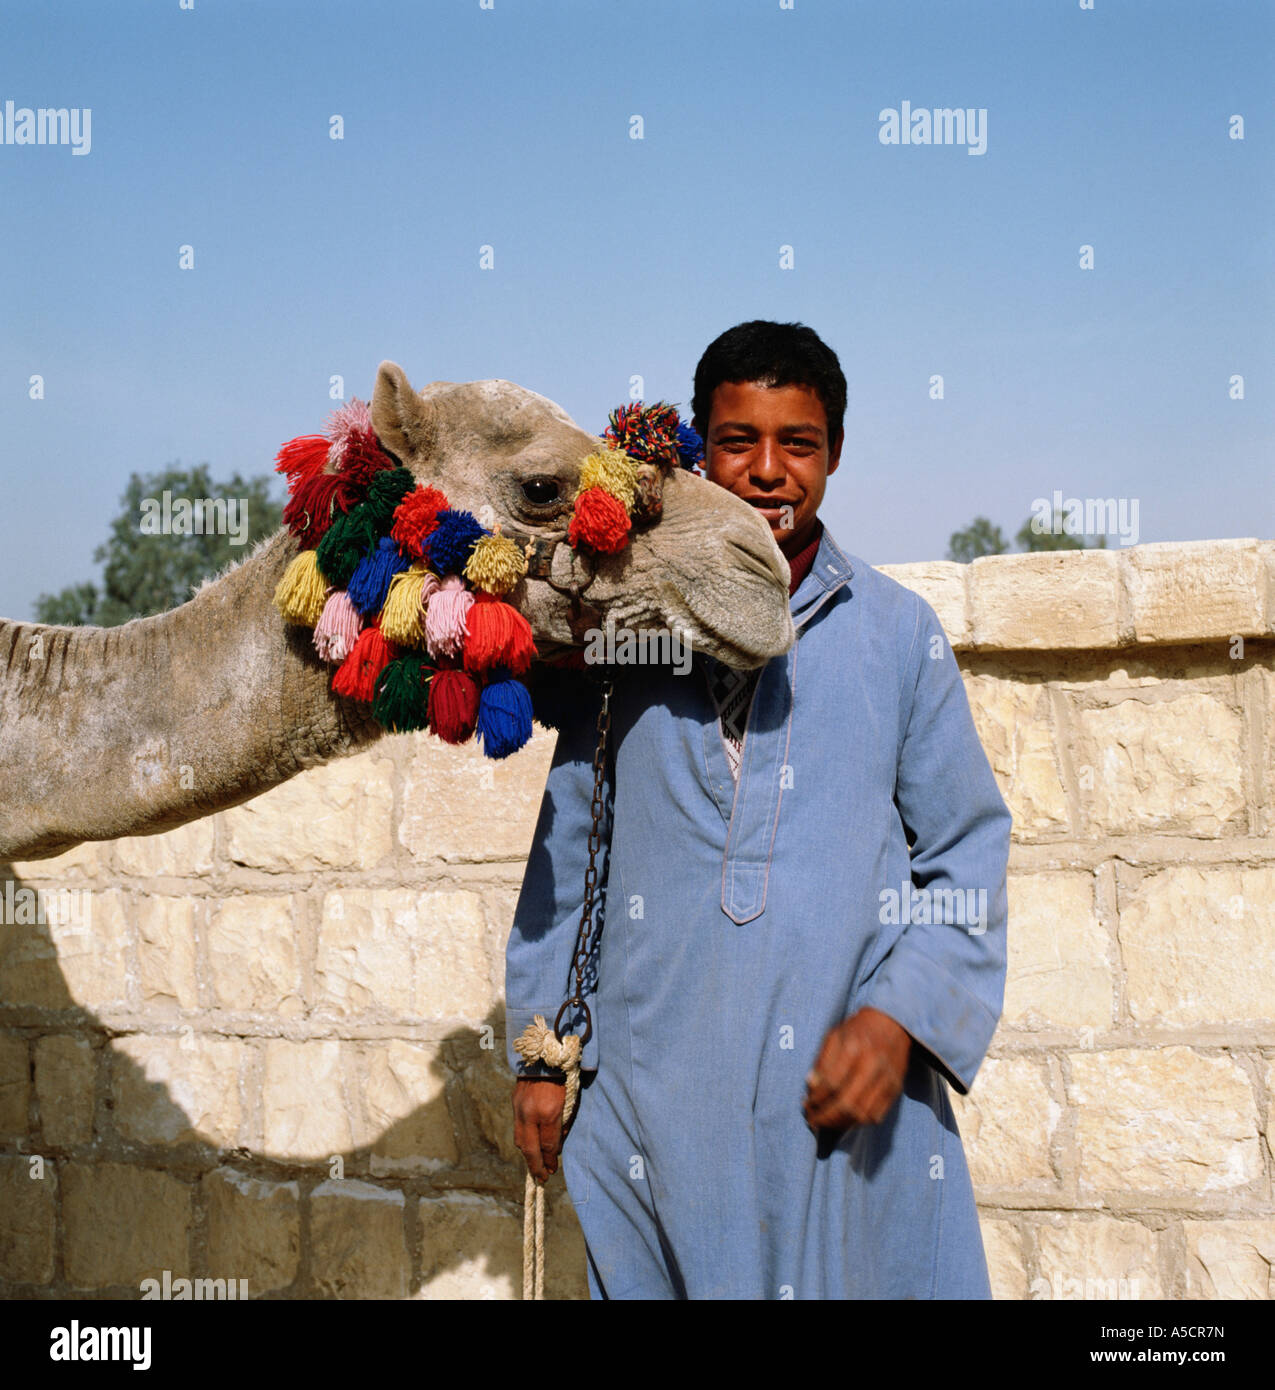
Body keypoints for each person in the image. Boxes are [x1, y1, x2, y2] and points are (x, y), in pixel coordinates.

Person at [505, 320, 1012, 1299]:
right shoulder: (627, 632)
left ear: (834, 455)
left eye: (800, 443)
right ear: (699, 448)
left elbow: (965, 853)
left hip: (844, 1118)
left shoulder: (898, 637)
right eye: (740, 440)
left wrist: (899, 1019)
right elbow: (572, 850)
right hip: (656, 1109)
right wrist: (542, 1047)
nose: (770, 471)